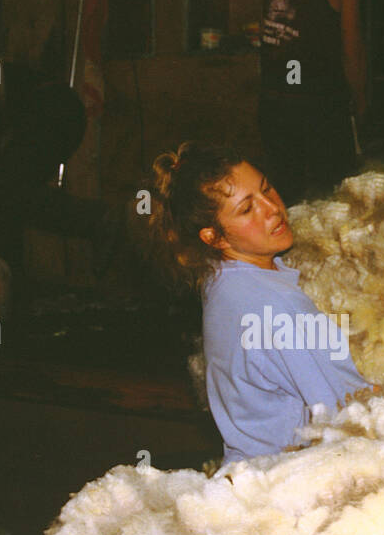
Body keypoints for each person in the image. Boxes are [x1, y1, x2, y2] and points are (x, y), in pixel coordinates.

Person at [143, 142, 366, 464]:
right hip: (292, 481)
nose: (273, 208)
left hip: (254, 473)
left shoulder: (223, 280)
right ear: (213, 237)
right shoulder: (275, 305)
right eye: (247, 209)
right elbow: (353, 412)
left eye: (267, 189)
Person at [259, 0, 367, 204]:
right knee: (334, 203)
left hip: (274, 102)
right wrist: (360, 101)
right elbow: (351, 47)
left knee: (286, 198)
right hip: (320, 105)